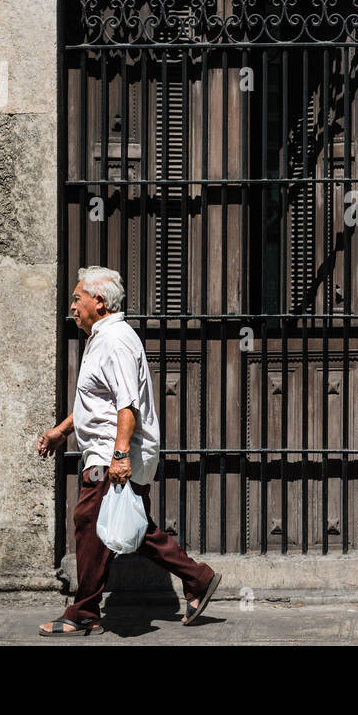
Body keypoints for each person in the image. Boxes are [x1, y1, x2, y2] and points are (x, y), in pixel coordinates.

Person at [35, 265, 221, 636]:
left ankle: (84, 612)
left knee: (90, 525)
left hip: (111, 454)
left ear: (99, 302)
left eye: (77, 298)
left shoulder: (115, 340)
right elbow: (98, 403)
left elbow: (126, 405)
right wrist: (61, 431)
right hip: (110, 452)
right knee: (134, 529)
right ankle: (198, 577)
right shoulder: (102, 338)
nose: (72, 306)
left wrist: (119, 456)